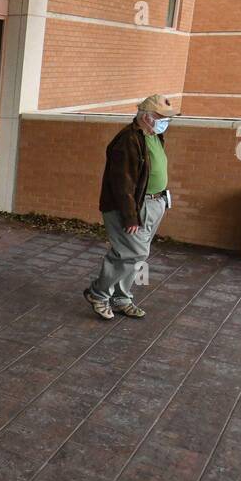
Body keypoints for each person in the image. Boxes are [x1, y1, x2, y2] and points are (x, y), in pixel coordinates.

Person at [83, 94, 179, 320]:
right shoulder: (127, 141)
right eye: (161, 117)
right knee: (134, 252)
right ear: (146, 117)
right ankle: (98, 293)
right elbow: (122, 183)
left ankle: (121, 298)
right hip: (133, 206)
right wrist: (130, 217)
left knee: (135, 256)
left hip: (155, 202)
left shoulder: (154, 135)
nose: (166, 122)